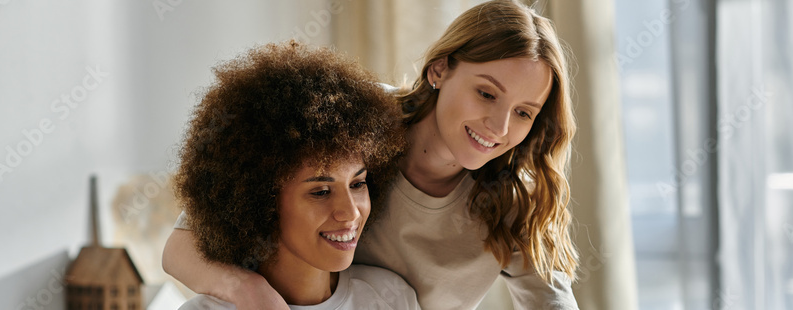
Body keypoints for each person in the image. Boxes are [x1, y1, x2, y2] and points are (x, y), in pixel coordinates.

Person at [164, 1, 581, 309]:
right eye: (486, 93)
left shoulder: (514, 204)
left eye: (524, 113)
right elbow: (180, 247)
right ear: (439, 69)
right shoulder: (350, 123)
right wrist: (253, 295)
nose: (500, 127)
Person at [171, 41, 418, 310]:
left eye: (357, 184)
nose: (351, 213)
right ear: (262, 203)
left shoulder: (392, 298)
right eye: (321, 191)